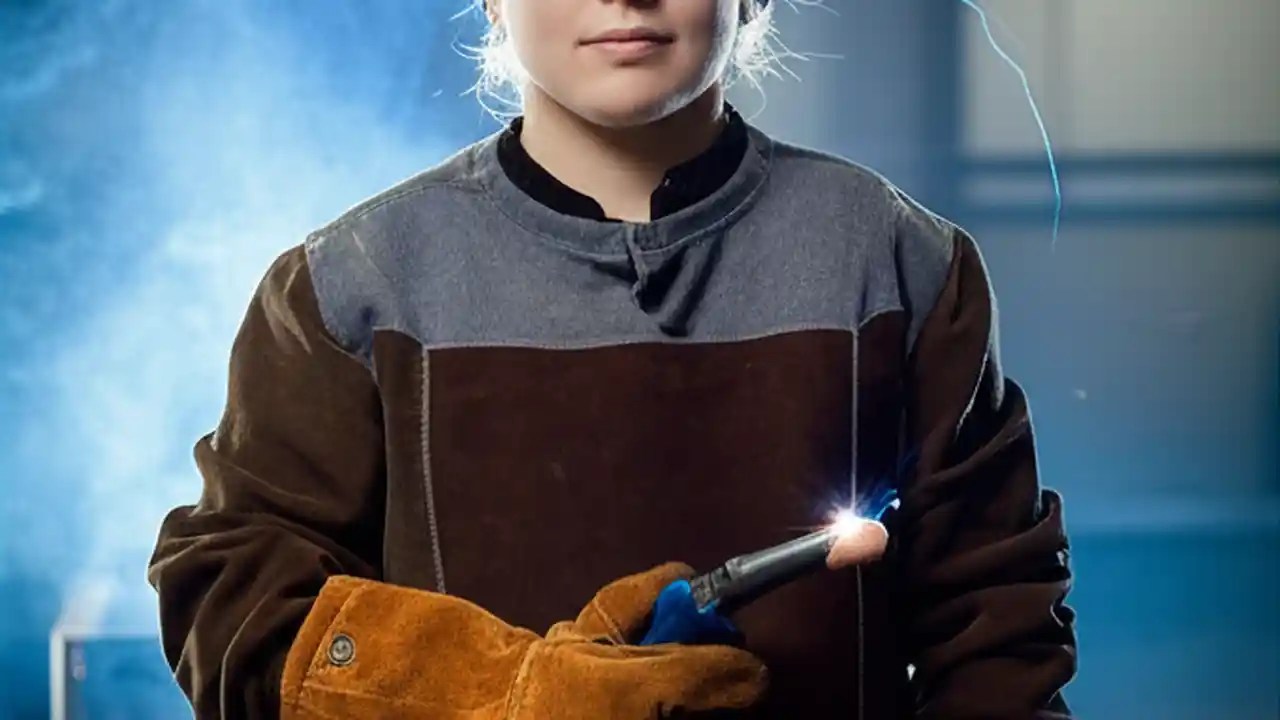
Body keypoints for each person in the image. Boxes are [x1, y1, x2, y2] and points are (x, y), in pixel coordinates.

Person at [147, 0, 1077, 718]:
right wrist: (511, 692)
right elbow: (234, 601)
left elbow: (999, 634)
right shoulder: (354, 287)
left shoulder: (898, 263)